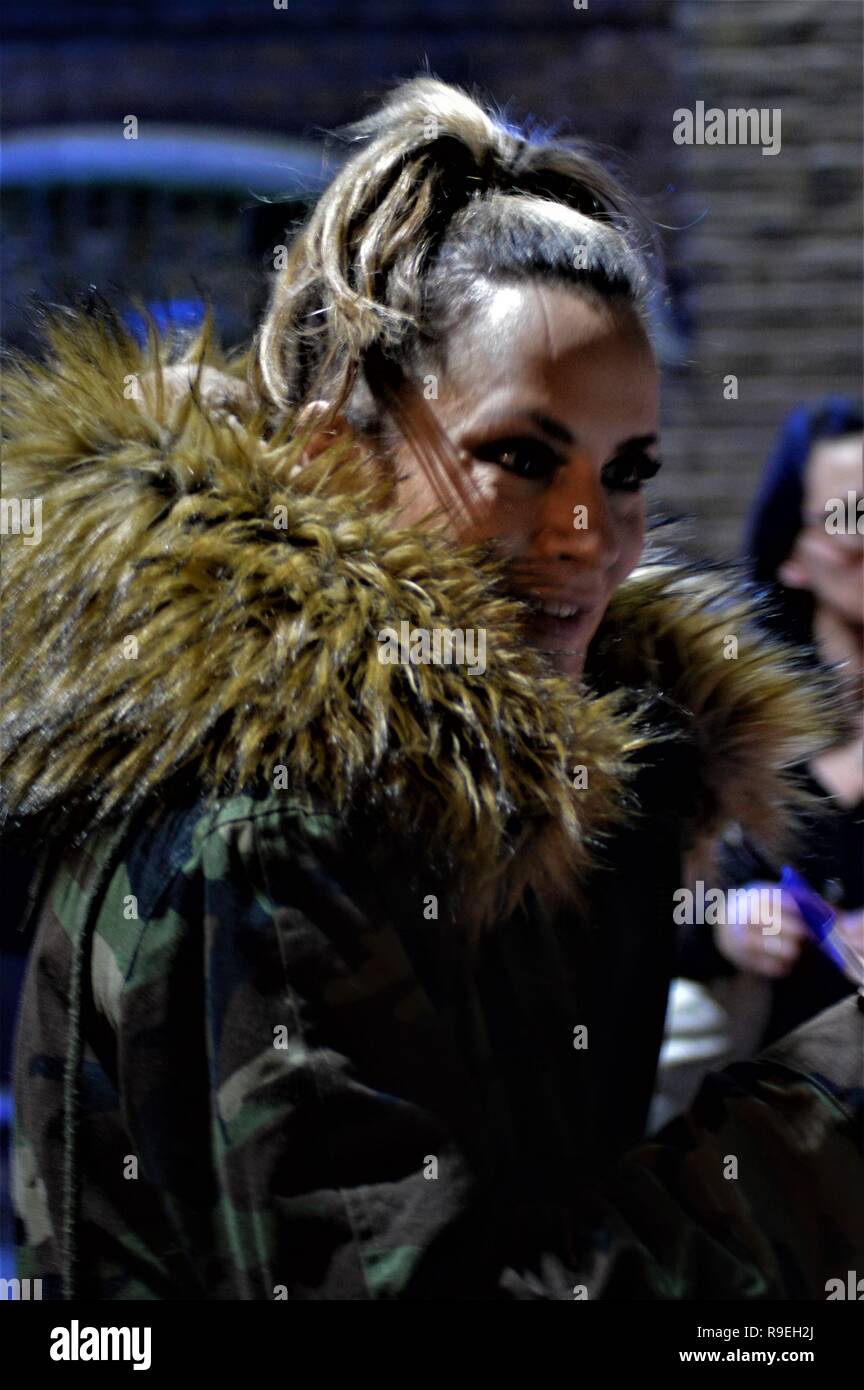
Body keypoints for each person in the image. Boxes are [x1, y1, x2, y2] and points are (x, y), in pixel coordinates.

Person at [3, 76, 863, 1301]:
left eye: (627, 471)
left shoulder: (567, 798)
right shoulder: (260, 836)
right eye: (520, 457)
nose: (591, 534)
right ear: (332, 460)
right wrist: (834, 1102)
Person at [677, 401, 863, 1046]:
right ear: (793, 554)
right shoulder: (734, 732)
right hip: (781, 1121)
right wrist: (727, 923)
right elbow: (643, 920)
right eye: (853, 517)